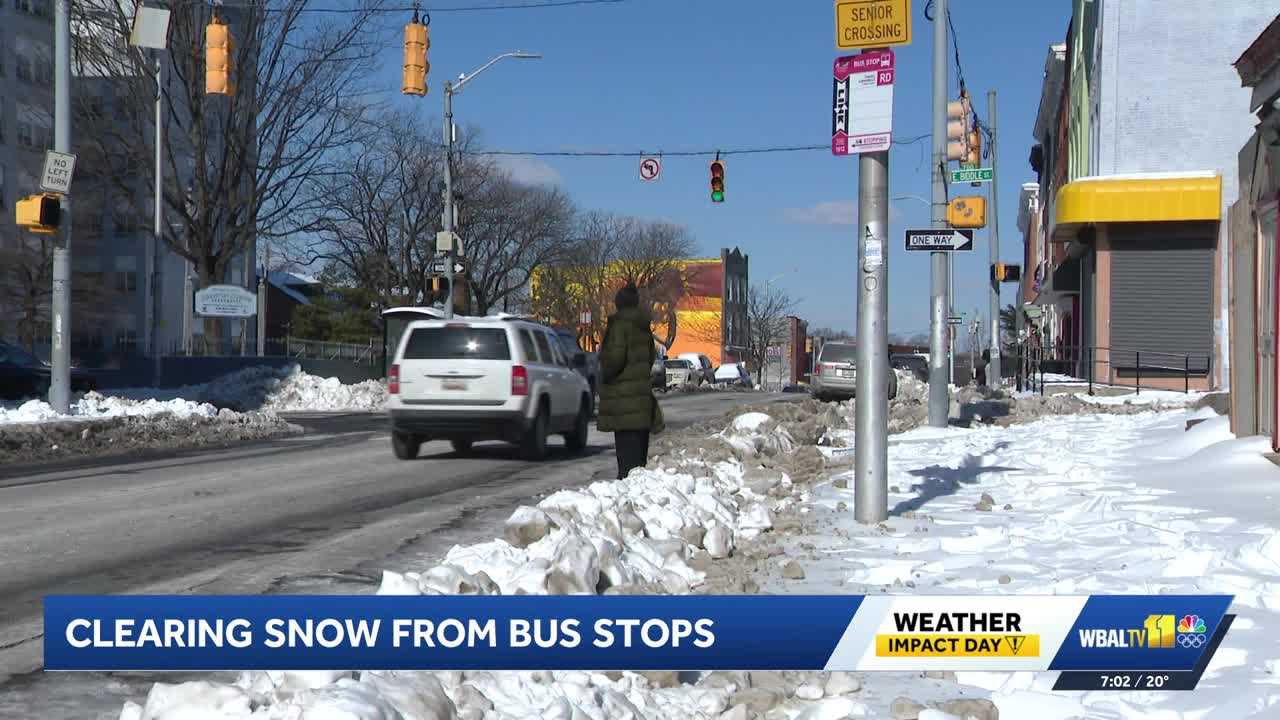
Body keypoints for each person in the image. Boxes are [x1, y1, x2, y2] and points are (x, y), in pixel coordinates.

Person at [597, 284, 664, 479]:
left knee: (625, 465)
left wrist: (605, 373)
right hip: (641, 401)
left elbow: (615, 359)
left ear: (619, 303)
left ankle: (627, 500)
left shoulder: (619, 326)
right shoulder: (643, 327)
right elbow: (650, 357)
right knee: (638, 464)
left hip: (623, 402)